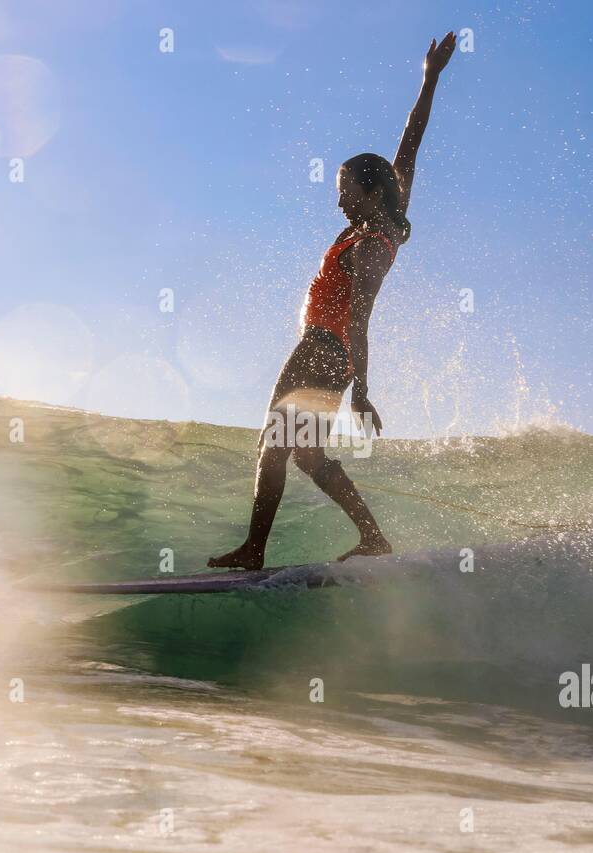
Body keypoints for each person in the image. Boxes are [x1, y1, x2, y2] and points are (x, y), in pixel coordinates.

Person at [210, 32, 457, 571]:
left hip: (323, 348)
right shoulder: (385, 216)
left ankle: (255, 551)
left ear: (370, 192)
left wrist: (363, 391)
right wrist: (429, 78)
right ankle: (372, 538)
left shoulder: (370, 246)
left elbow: (360, 321)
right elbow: (410, 144)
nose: (338, 197)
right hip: (332, 354)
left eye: (346, 189)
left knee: (272, 445)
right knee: (306, 454)